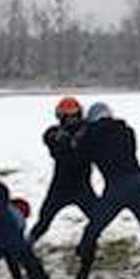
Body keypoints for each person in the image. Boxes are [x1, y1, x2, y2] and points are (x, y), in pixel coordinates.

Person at [72, 102, 140, 279]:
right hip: (138, 184)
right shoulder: (127, 131)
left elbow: (80, 155)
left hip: (115, 189)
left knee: (92, 230)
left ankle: (82, 275)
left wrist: (79, 135)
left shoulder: (90, 136)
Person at [27, 97, 97, 245]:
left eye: (73, 115)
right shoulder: (55, 134)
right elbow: (49, 138)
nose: (71, 119)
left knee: (99, 218)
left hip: (81, 187)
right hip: (61, 187)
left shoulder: (88, 131)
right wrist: (64, 139)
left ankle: (88, 244)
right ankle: (26, 246)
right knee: (43, 221)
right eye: (67, 115)